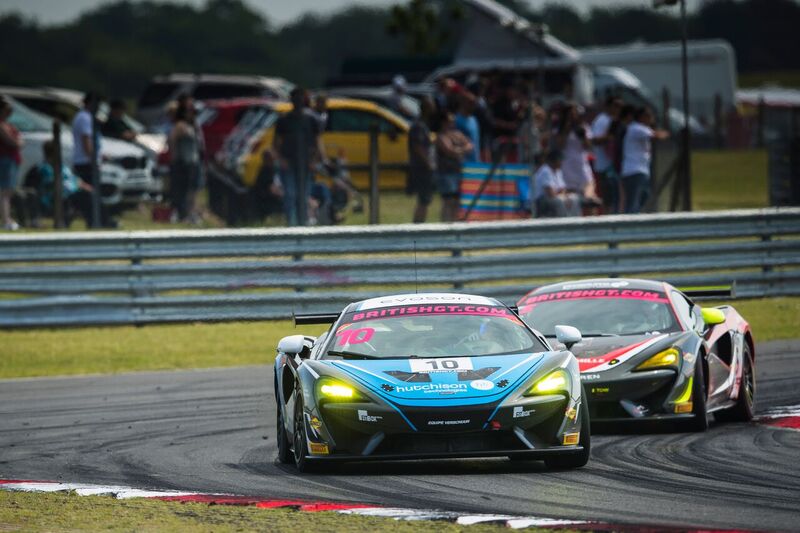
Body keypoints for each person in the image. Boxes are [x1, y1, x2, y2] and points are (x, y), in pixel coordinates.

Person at [272, 87, 326, 226]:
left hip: (306, 163)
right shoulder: (284, 120)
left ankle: (303, 222)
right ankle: (292, 223)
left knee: (304, 195)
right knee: (290, 194)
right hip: (289, 162)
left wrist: (315, 160)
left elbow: (317, 141)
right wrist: (281, 160)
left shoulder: (311, 119)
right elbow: (276, 143)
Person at [71, 92, 115, 228]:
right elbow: (86, 142)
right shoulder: (85, 118)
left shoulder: (85, 117)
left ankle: (96, 220)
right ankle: (99, 221)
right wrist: (94, 160)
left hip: (86, 161)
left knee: (91, 195)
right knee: (91, 196)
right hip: (86, 163)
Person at [620, 106, 670, 214]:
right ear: (643, 117)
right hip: (634, 171)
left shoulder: (642, 128)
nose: (652, 118)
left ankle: (634, 217)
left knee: (645, 196)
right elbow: (656, 135)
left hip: (641, 170)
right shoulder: (636, 127)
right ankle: (629, 223)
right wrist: (666, 133)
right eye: (649, 116)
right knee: (632, 202)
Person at [38, 140, 95, 227]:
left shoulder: (62, 167)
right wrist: (78, 186)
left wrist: (84, 185)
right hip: (57, 197)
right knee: (85, 196)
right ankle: (93, 222)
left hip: (70, 194)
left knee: (91, 193)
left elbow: (73, 179)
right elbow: (56, 184)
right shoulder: (45, 168)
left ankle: (99, 221)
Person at [168, 101, 202, 223]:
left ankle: (191, 213)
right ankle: (183, 214)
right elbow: (172, 141)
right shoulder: (180, 126)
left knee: (192, 190)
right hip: (183, 162)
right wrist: (175, 157)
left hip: (192, 162)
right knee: (183, 190)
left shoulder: (192, 125)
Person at [435, 113, 473, 222]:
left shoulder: (457, 134)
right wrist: (462, 149)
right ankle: (445, 225)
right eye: (449, 121)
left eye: (453, 121)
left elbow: (470, 145)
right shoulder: (441, 136)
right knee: (448, 200)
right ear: (444, 122)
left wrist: (459, 149)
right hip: (446, 174)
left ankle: (454, 223)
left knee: (457, 200)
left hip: (458, 172)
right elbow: (449, 151)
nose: (452, 123)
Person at [407, 96, 436, 223]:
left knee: (425, 199)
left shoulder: (424, 125)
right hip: (421, 167)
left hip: (424, 167)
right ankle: (418, 224)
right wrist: (428, 162)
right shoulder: (418, 126)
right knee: (423, 199)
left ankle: (420, 223)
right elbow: (417, 146)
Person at [591, 96, 623, 214]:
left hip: (614, 166)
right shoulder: (602, 120)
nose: (618, 109)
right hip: (603, 166)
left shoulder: (614, 120)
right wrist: (609, 137)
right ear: (608, 106)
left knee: (616, 197)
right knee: (607, 197)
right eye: (616, 106)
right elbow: (594, 140)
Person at [531, 149, 579, 218]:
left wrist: (565, 196)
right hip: (540, 201)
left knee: (574, 198)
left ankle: (574, 221)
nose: (561, 162)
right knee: (559, 201)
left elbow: (563, 189)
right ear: (554, 161)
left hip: (552, 197)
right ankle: (562, 223)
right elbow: (550, 192)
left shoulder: (558, 171)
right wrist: (563, 197)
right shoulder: (545, 170)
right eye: (560, 160)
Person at [0, 97, 22, 230]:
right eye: (7, 110)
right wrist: (18, 142)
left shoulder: (6, 124)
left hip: (11, 160)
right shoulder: (1, 125)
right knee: (5, 192)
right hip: (5, 160)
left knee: (8, 191)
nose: (9, 112)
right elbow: (13, 142)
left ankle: (7, 218)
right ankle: (6, 220)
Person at [454, 92, 481, 163]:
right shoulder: (457, 120)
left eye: (474, 103)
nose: (473, 105)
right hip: (463, 163)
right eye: (471, 103)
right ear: (463, 103)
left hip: (475, 161)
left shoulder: (474, 119)